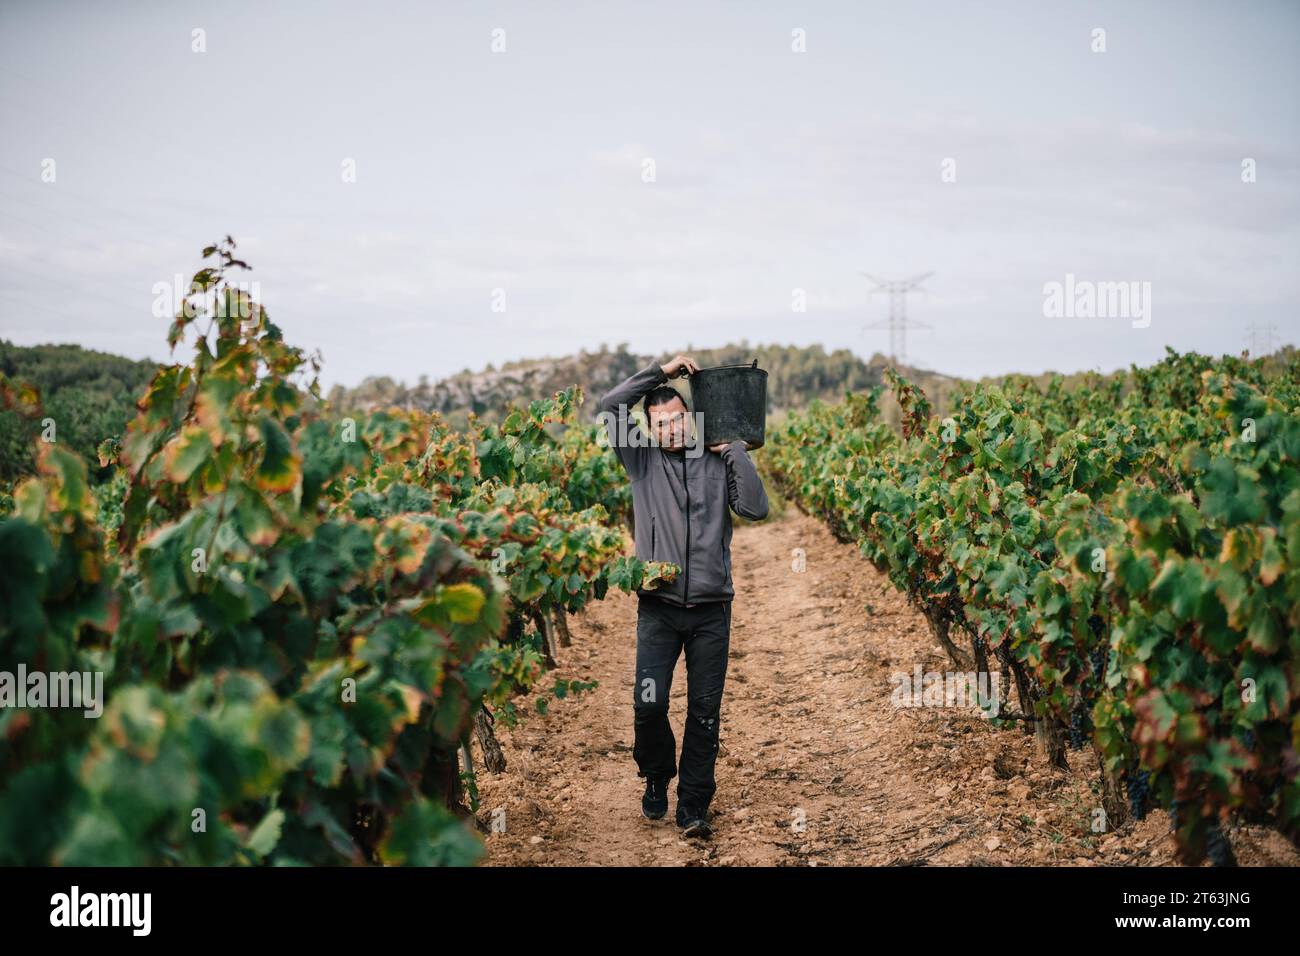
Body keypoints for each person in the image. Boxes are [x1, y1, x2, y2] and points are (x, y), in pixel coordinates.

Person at [598, 353, 769, 838]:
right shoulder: (641, 462)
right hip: (659, 607)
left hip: (712, 610)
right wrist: (662, 372)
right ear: (648, 430)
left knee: (704, 713)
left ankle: (693, 806)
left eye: (677, 418)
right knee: (648, 705)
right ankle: (656, 774)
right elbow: (611, 406)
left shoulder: (716, 458)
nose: (671, 428)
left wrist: (735, 450)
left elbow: (755, 509)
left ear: (689, 418)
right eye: (660, 423)